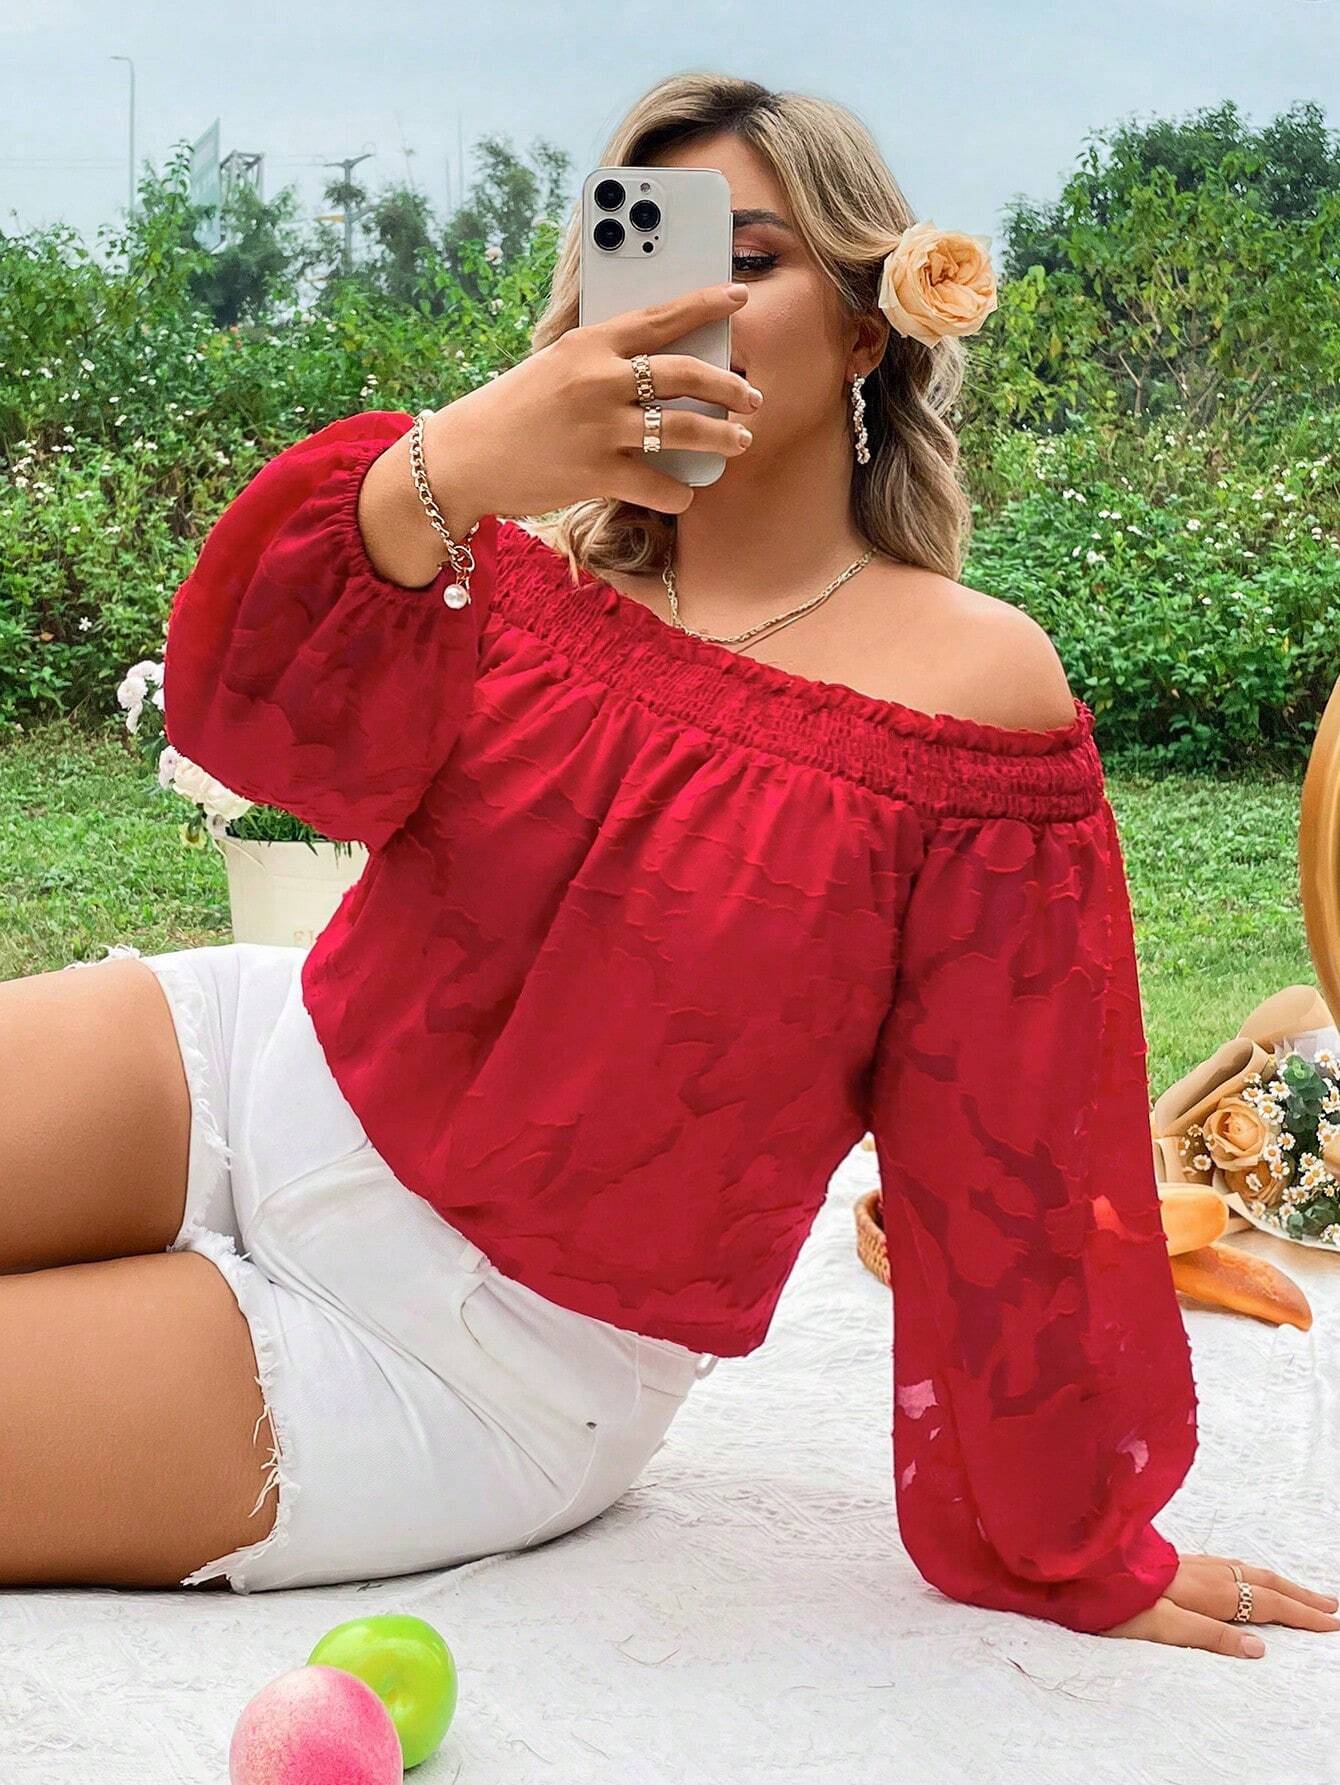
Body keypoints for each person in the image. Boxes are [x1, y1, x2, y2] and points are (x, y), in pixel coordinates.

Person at [4, 72, 1337, 1660]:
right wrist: (458, 456)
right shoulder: (515, 579)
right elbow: (252, 721)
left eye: (751, 259)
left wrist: (1077, 1534)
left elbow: (1011, 1163)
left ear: (869, 324)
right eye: (649, 253)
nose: (690, 302)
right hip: (262, 1069)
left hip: (474, 1358)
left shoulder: (976, 690)